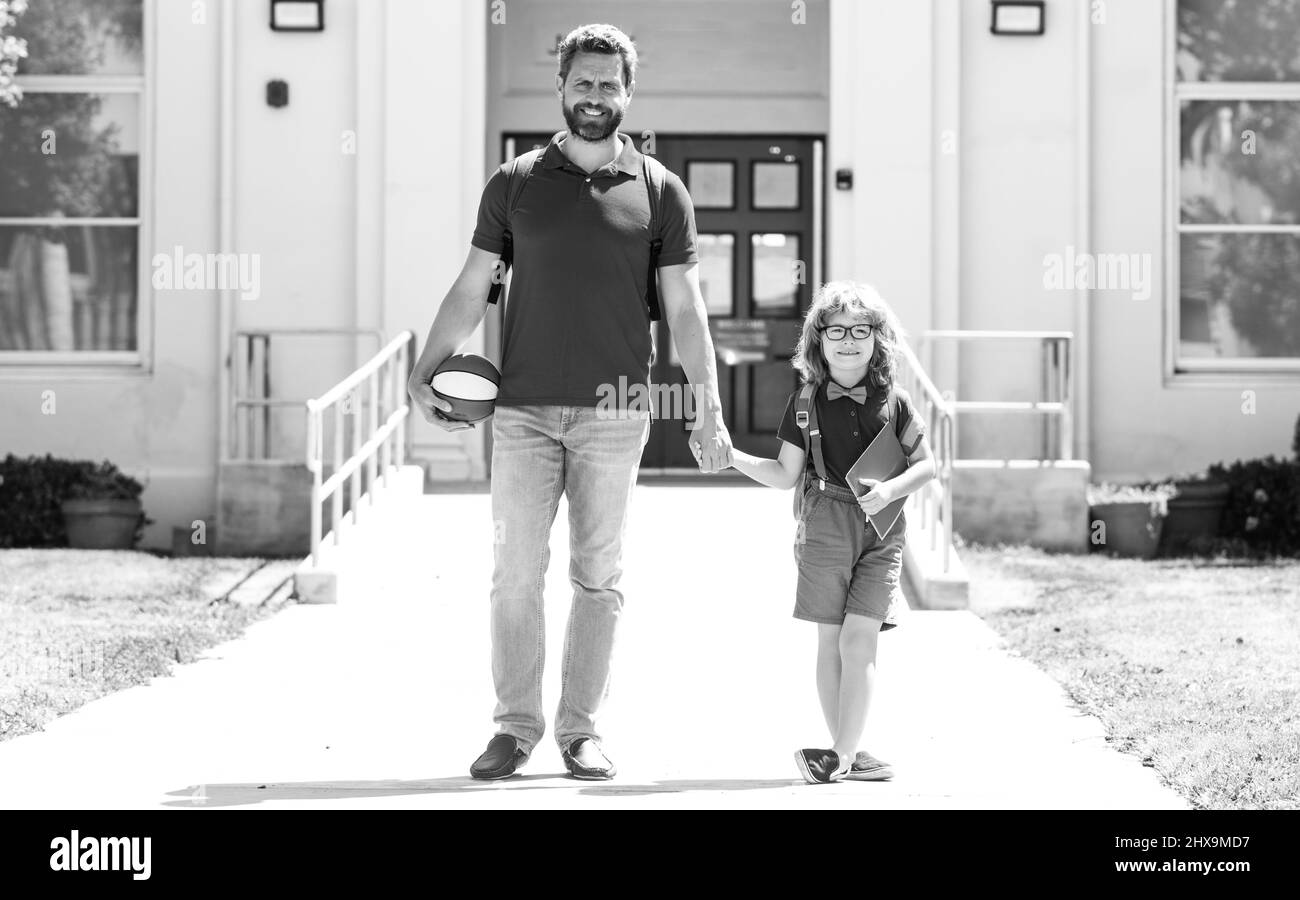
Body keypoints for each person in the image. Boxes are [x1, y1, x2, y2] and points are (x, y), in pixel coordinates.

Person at [406, 23, 733, 782]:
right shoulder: (515, 182)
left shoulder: (659, 190)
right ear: (561, 88)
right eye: (582, 82)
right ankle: (514, 728)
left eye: (608, 84)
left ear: (628, 93)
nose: (594, 96)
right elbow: (471, 283)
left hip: (617, 411)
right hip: (519, 411)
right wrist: (425, 368)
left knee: (598, 576)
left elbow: (684, 309)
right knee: (515, 575)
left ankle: (580, 731)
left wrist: (707, 404)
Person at [728, 281, 936, 784]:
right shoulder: (804, 402)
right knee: (831, 641)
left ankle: (839, 754)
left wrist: (891, 492)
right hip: (823, 520)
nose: (848, 340)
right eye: (836, 330)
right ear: (817, 340)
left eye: (860, 330)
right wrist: (729, 457)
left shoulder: (896, 402)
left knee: (860, 638)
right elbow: (783, 475)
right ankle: (848, 751)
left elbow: (927, 466)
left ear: (878, 338)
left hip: (881, 527)